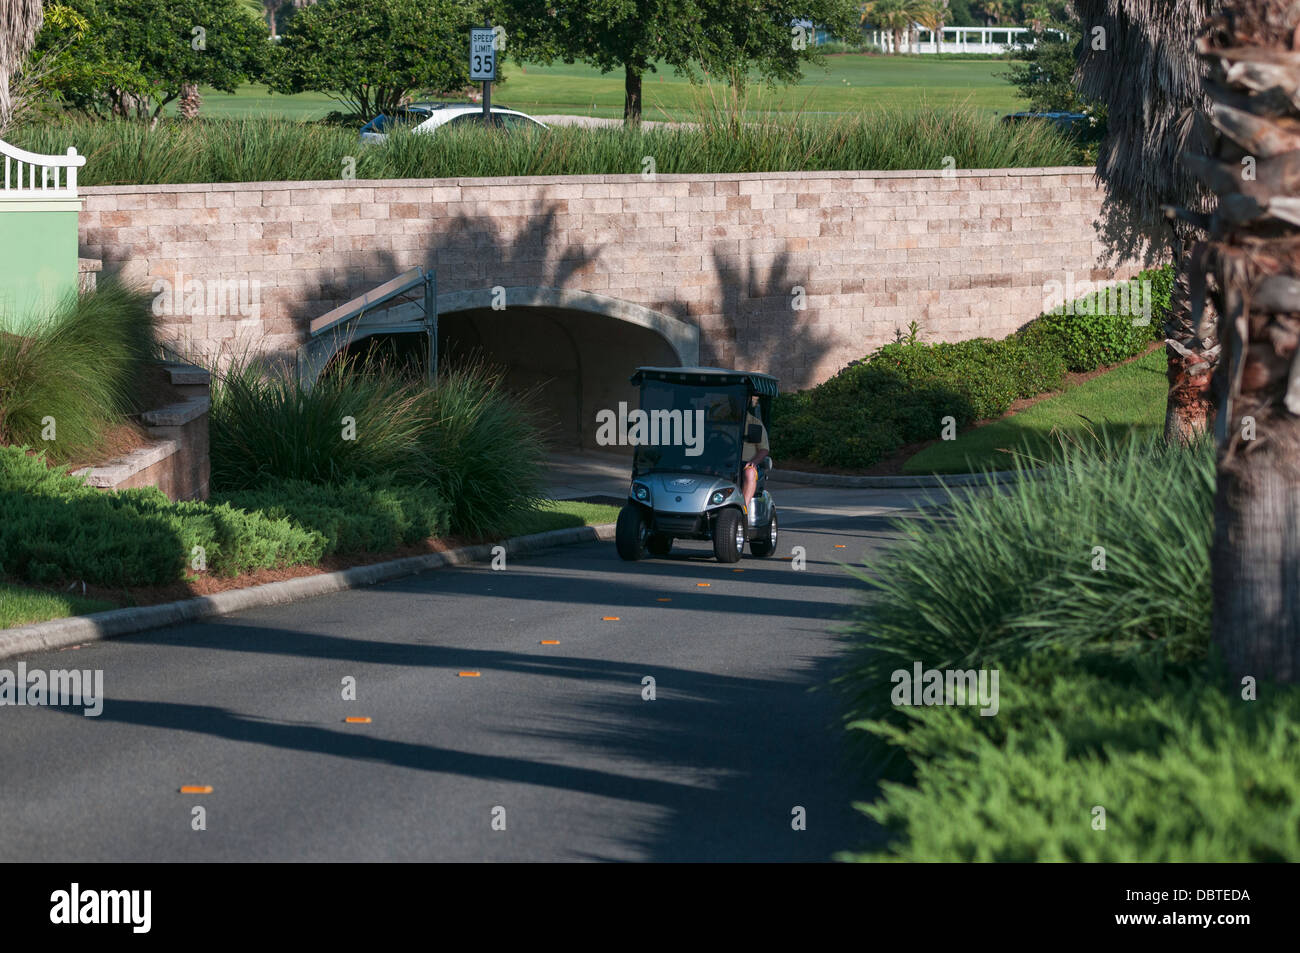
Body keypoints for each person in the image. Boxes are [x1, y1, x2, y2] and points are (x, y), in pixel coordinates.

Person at [740, 394, 769, 519]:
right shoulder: (722, 420)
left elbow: (764, 449)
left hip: (746, 463)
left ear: (747, 401)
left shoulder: (754, 423)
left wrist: (754, 462)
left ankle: (742, 511)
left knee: (750, 473)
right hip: (724, 463)